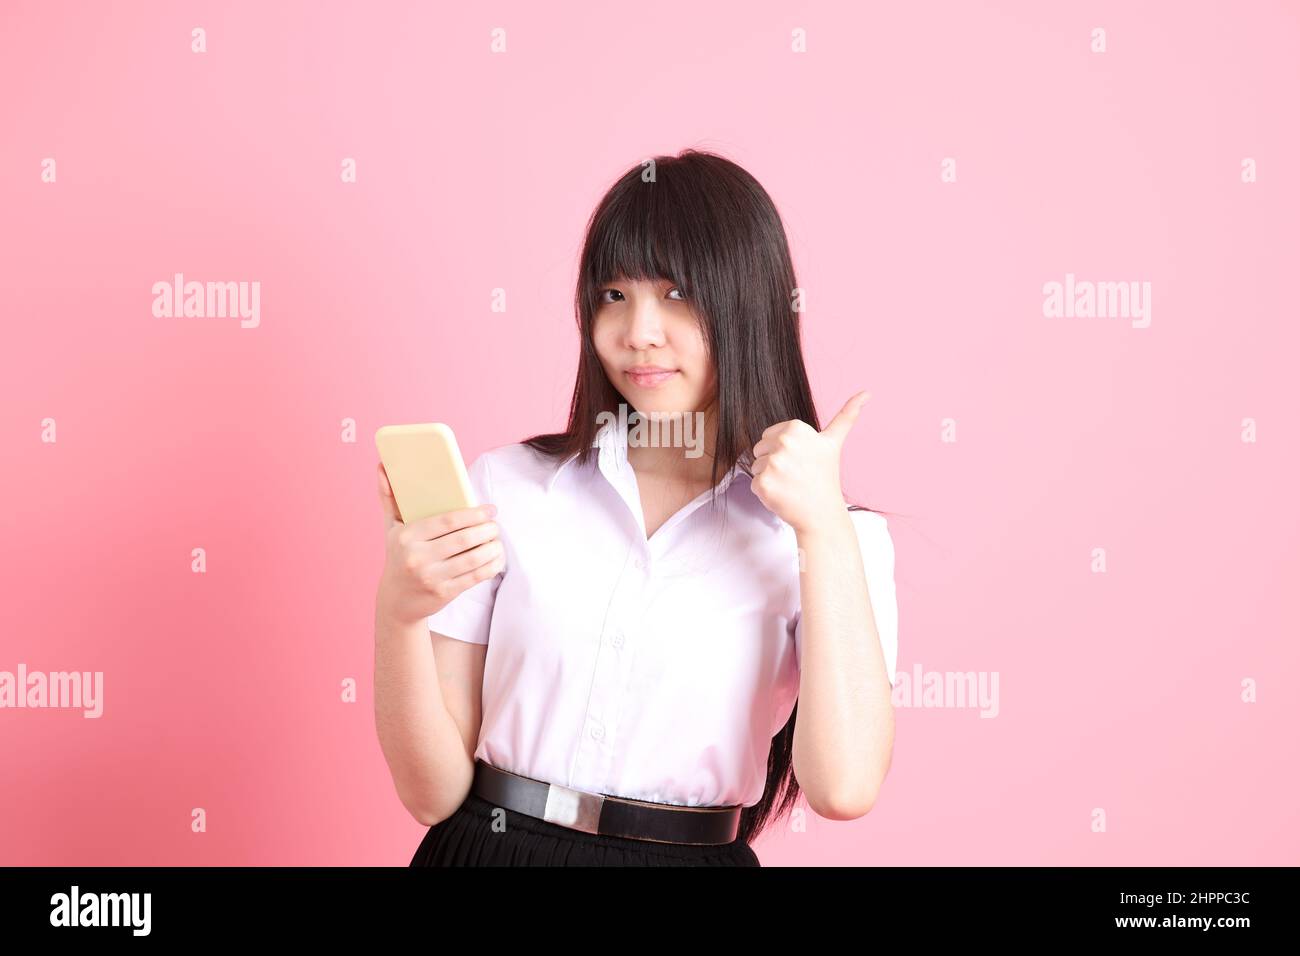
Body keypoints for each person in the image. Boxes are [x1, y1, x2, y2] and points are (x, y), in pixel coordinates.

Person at [374, 148, 899, 866]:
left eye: (677, 293)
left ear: (747, 303)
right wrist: (399, 611)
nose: (638, 333)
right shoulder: (512, 487)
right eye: (614, 295)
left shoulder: (833, 538)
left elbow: (843, 787)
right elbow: (431, 794)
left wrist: (824, 529)